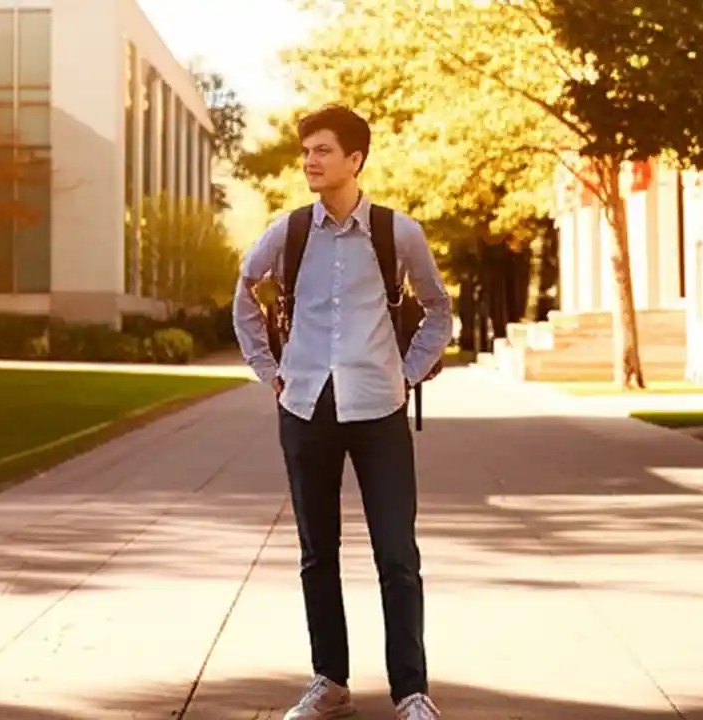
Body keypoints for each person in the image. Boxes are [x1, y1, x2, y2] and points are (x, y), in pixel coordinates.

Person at [232, 104, 452, 720]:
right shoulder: (289, 232)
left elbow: (439, 308)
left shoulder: (396, 233)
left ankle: (411, 691)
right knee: (315, 552)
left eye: (323, 150)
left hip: (379, 407)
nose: (310, 161)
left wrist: (407, 372)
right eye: (306, 152)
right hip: (304, 405)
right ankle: (329, 681)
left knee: (396, 554)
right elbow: (245, 290)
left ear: (355, 159)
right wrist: (268, 371)